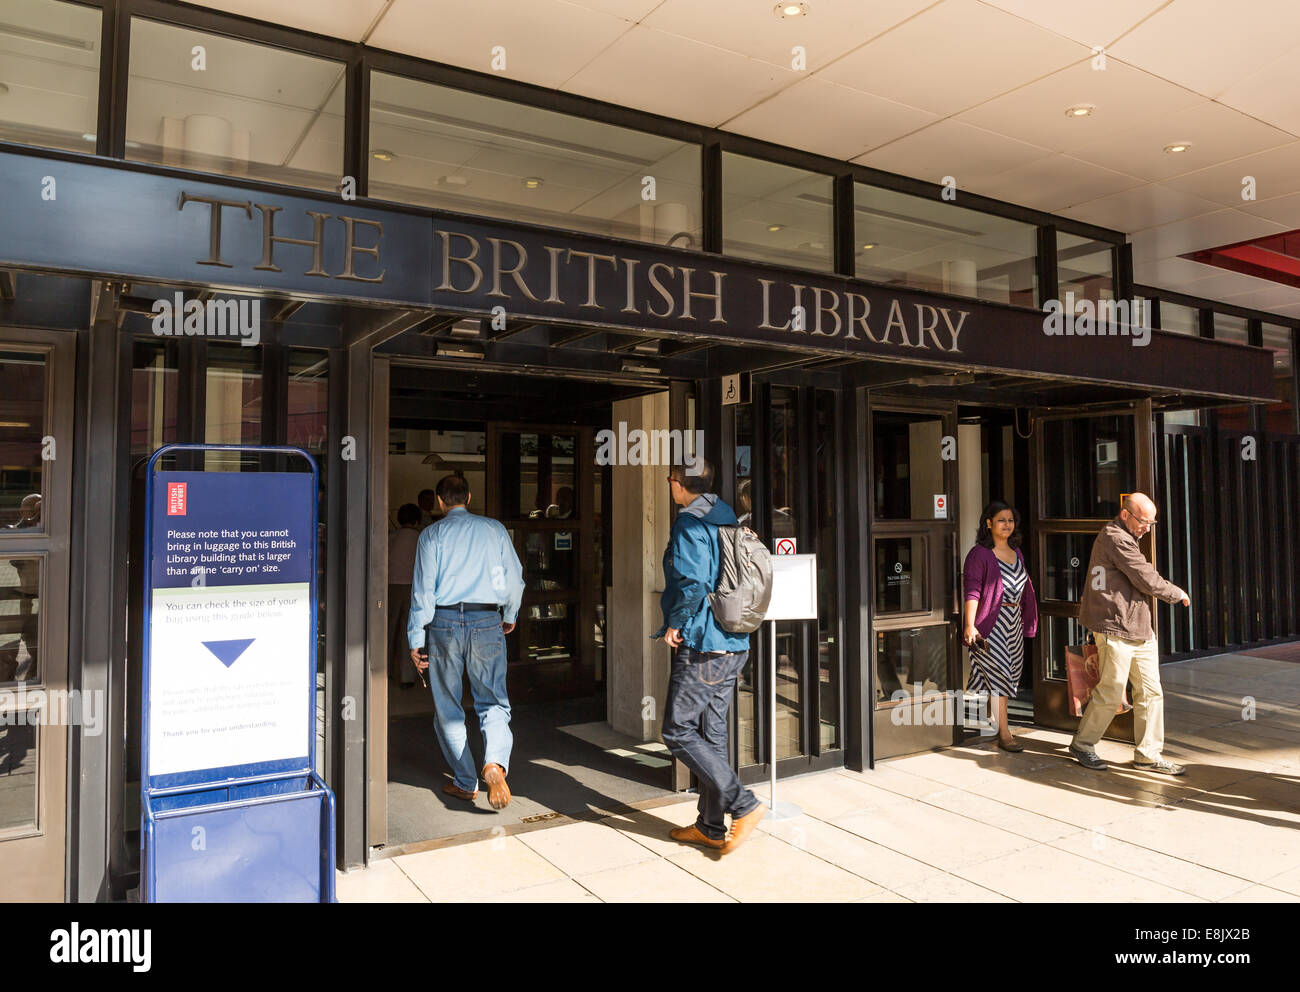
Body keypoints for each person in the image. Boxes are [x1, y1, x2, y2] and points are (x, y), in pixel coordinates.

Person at [655, 458, 765, 854]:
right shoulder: (725, 514)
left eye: (671, 480)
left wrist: (675, 623)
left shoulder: (690, 522)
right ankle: (710, 826)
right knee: (712, 733)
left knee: (677, 729)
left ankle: (743, 803)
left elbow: (694, 581)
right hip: (735, 642)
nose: (670, 486)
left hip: (705, 643)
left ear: (678, 484)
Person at [408, 474, 525, 808]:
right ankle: (494, 764)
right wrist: (510, 614)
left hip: (443, 622)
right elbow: (514, 579)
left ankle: (465, 781)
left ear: (440, 501)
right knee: (493, 701)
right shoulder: (494, 530)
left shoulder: (432, 535)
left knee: (448, 706)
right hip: (487, 619)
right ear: (469, 497)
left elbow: (423, 593)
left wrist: (416, 638)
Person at [1070, 492, 1190, 774]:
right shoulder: (1115, 537)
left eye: (1151, 523)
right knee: (1111, 691)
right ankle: (1083, 744)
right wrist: (1176, 593)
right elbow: (1145, 577)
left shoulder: (1128, 536)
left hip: (1139, 627)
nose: (1147, 528)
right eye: (1143, 521)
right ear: (1125, 515)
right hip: (1115, 626)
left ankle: (1148, 754)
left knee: (1151, 692)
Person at [962, 501, 1038, 751]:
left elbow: (1024, 588)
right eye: (1001, 520)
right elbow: (972, 591)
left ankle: (993, 716)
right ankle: (1005, 733)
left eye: (1011, 520)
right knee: (1001, 676)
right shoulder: (979, 554)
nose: (1007, 524)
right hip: (991, 625)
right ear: (989, 524)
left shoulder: (1017, 552)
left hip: (1013, 624)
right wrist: (970, 625)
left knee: (1009, 674)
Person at [387, 503, 422, 688]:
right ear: (417, 520)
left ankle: (385, 671)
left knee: (388, 631)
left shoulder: (391, 538)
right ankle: (407, 677)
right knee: (408, 634)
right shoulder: (421, 538)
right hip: (412, 589)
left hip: (389, 588)